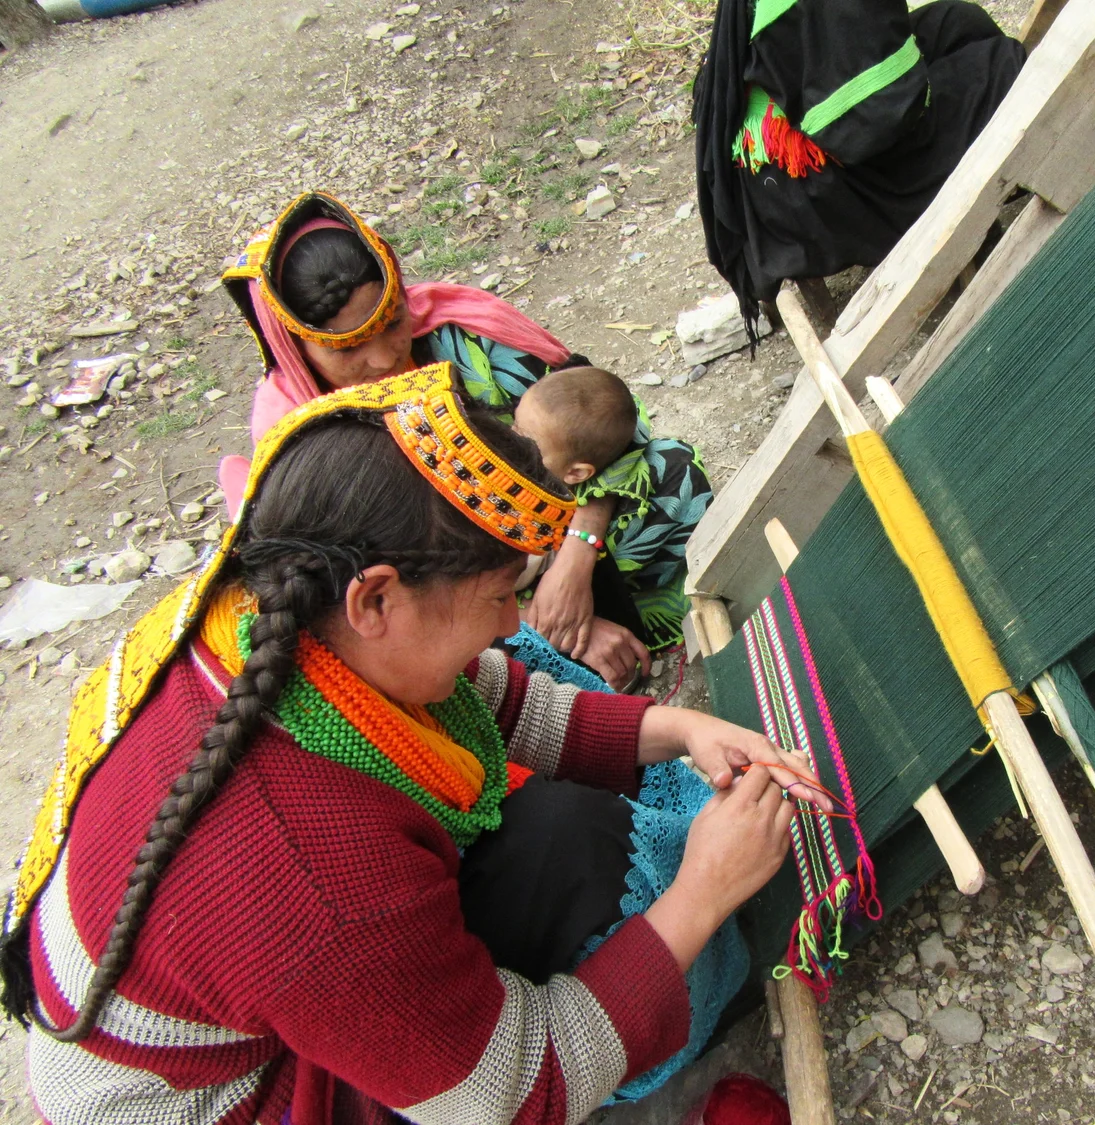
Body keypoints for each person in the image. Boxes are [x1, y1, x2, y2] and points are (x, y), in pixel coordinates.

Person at [7, 364, 820, 1123]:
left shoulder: (274, 608)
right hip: (218, 1102)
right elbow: (509, 1093)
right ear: (376, 600)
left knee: (556, 824)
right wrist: (705, 891)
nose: (512, 619)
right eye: (501, 594)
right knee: (573, 862)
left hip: (203, 989)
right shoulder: (317, 875)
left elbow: (493, 696)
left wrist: (679, 727)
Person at [217, 192, 709, 686]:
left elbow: (598, 423)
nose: (385, 358)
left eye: (391, 323)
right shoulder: (299, 442)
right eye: (348, 348)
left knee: (672, 472)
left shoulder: (463, 338)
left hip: (563, 539)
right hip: (457, 607)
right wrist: (534, 624)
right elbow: (366, 597)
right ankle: (557, 657)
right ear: (293, 345)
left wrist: (578, 558)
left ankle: (572, 657)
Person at [694, 0, 1028, 333]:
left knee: (958, 23)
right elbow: (870, 125)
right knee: (1004, 67)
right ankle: (969, 211)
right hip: (796, 190)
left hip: (785, 126)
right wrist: (919, 89)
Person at [511, 366, 713, 679]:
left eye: (524, 441)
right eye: (513, 426)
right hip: (512, 607)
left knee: (677, 464)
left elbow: (629, 411)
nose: (509, 441)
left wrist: (578, 554)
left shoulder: (543, 498)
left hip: (548, 584)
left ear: (578, 474)